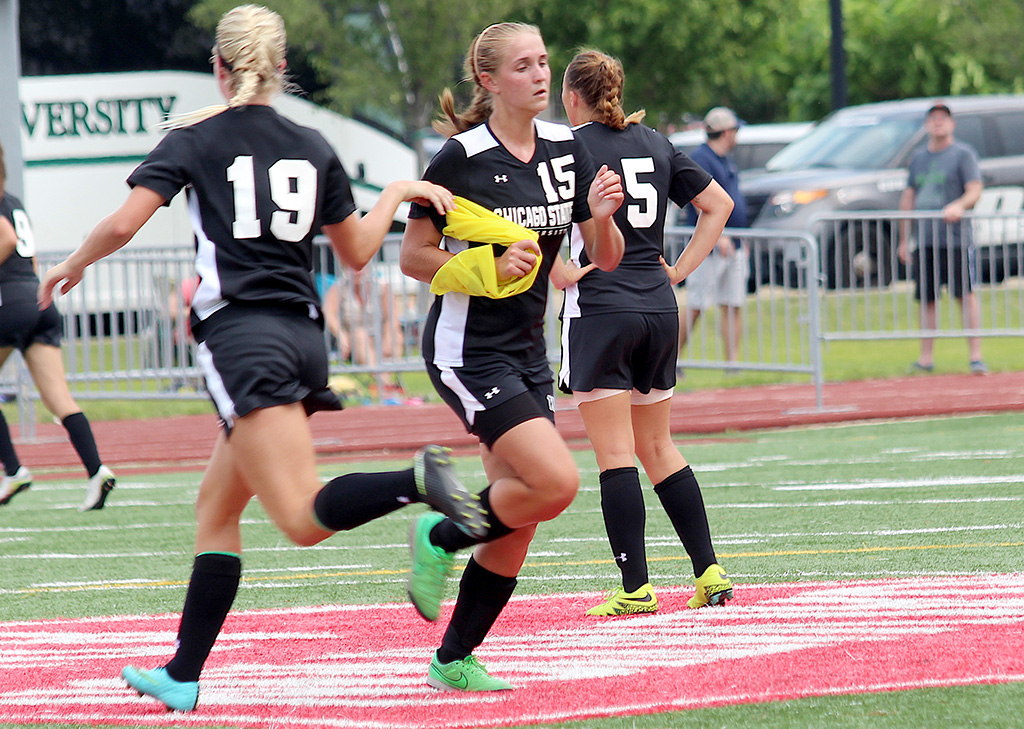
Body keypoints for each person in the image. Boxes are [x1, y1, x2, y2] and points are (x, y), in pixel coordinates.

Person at [38, 4, 485, 713]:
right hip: (301, 335)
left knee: (302, 519)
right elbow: (357, 253)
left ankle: (418, 478)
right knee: (215, 505)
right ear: (282, 70)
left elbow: (126, 221)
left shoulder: (196, 137)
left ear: (218, 69)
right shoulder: (310, 143)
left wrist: (73, 264)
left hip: (241, 338)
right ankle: (183, 674)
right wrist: (395, 192)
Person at [400, 23, 624, 691]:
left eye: (542, 63)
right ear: (491, 82)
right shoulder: (459, 157)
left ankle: (452, 660)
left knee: (521, 517)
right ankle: (441, 535)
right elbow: (413, 256)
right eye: (521, 65)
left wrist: (605, 215)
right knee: (556, 483)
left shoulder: (566, 148)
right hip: (468, 352)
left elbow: (604, 258)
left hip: (529, 350)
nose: (537, 74)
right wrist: (486, 264)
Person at [559, 50, 736, 616]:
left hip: (602, 305)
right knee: (657, 446)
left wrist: (553, 271)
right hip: (659, 307)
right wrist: (679, 270)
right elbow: (719, 205)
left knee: (615, 455)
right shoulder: (655, 141)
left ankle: (635, 587)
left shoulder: (568, 149)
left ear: (571, 96)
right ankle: (709, 571)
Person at [0, 141, 116, 512]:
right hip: (36, 299)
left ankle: (14, 470)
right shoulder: (13, 200)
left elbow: (6, 239)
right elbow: (27, 255)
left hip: (9, 301)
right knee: (59, 398)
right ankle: (97, 471)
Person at [897, 101, 986, 375]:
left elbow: (975, 189)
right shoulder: (918, 158)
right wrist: (903, 239)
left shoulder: (963, 154)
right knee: (927, 299)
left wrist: (959, 205)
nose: (938, 122)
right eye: (933, 118)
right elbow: (909, 196)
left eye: (943, 118)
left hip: (957, 239)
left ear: (952, 123)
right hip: (925, 240)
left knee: (965, 295)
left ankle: (975, 356)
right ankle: (926, 358)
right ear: (926, 124)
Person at [678, 107, 749, 365]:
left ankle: (733, 364)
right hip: (709, 246)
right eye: (735, 131)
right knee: (696, 304)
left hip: (734, 243)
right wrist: (717, 236)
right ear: (727, 132)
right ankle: (669, 359)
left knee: (733, 303)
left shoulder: (725, 159)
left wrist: (741, 240)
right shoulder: (702, 158)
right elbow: (699, 200)